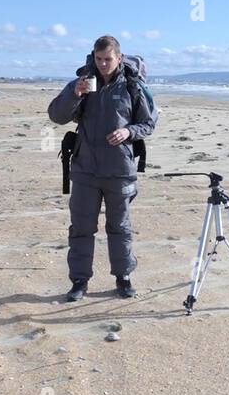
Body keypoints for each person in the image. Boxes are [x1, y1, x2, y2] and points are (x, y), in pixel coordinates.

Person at [47, 35, 156, 301]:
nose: (103, 64)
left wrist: (128, 132)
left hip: (119, 169)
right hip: (85, 169)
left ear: (119, 58)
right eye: (99, 59)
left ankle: (123, 277)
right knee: (81, 227)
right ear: (93, 57)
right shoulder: (82, 83)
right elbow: (56, 116)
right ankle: (79, 282)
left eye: (108, 59)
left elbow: (149, 124)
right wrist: (75, 94)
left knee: (120, 227)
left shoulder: (133, 87)